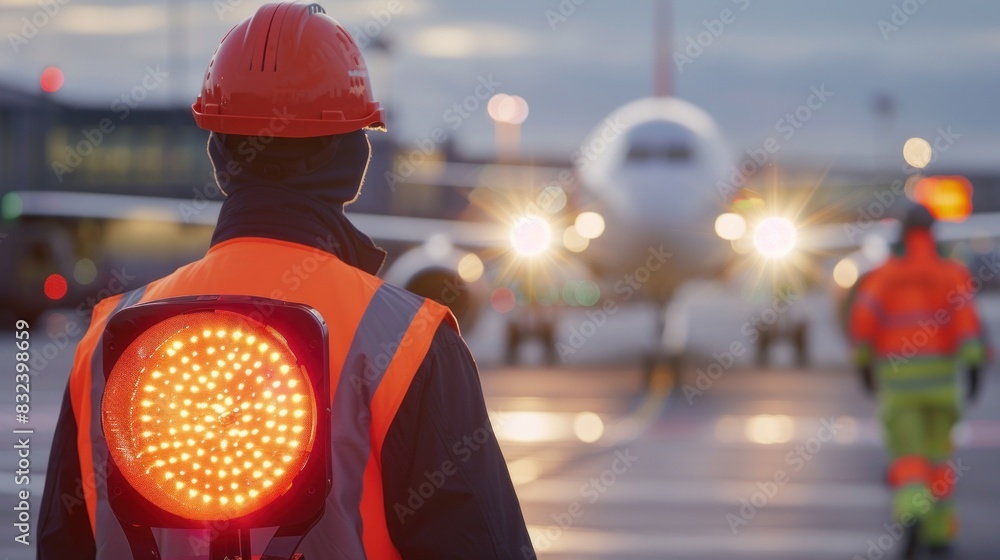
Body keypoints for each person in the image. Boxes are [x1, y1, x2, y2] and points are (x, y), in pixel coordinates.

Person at [37, 3, 534, 559]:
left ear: (219, 153)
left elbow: (64, 543)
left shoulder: (106, 340)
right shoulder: (408, 340)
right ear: (354, 156)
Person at [849, 204, 985, 554]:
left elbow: (863, 326)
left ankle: (912, 516)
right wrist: (974, 372)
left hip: (900, 390)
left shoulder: (883, 276)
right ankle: (940, 536)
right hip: (942, 390)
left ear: (902, 232)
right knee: (938, 460)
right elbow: (969, 329)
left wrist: (864, 368)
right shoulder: (953, 275)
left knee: (910, 460)